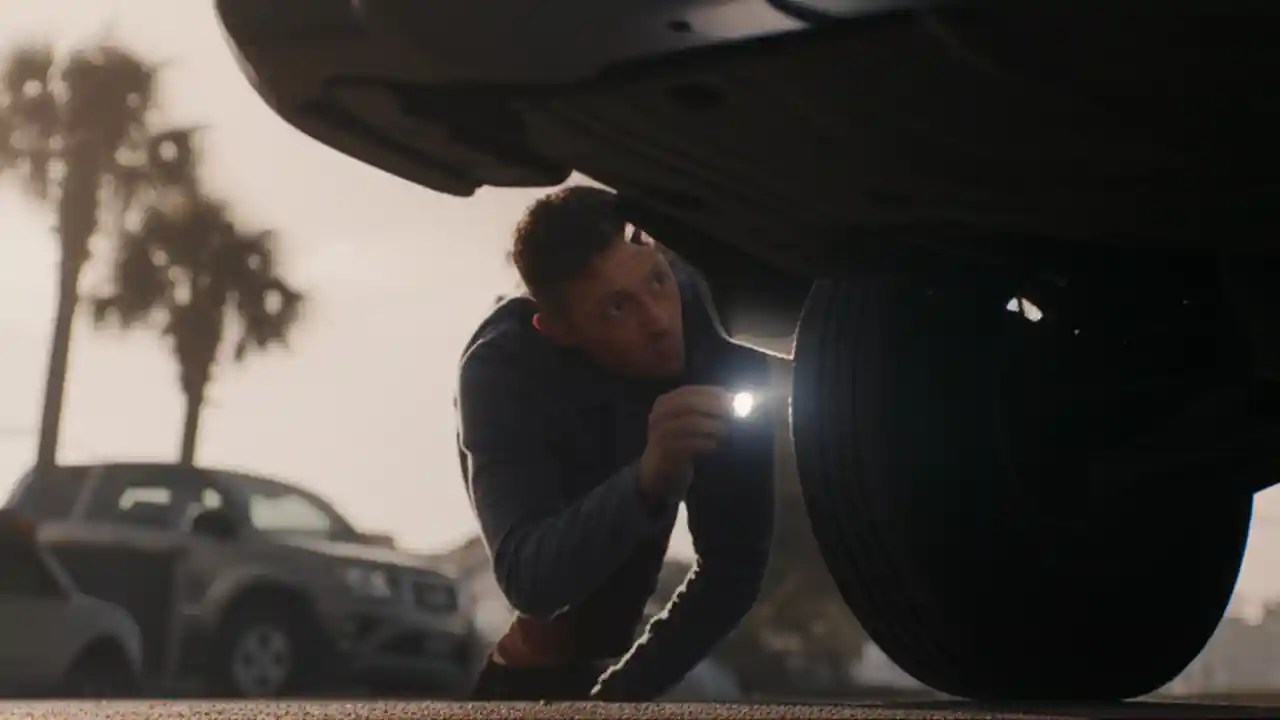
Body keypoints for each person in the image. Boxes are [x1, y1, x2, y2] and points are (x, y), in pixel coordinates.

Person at [454, 186, 775, 701]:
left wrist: (614, 703)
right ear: (559, 328)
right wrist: (650, 479)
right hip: (545, 608)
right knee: (555, 630)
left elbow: (734, 564)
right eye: (617, 307)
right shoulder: (502, 370)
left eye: (656, 279)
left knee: (606, 626)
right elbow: (529, 581)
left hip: (615, 650)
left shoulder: (720, 330)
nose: (658, 321)